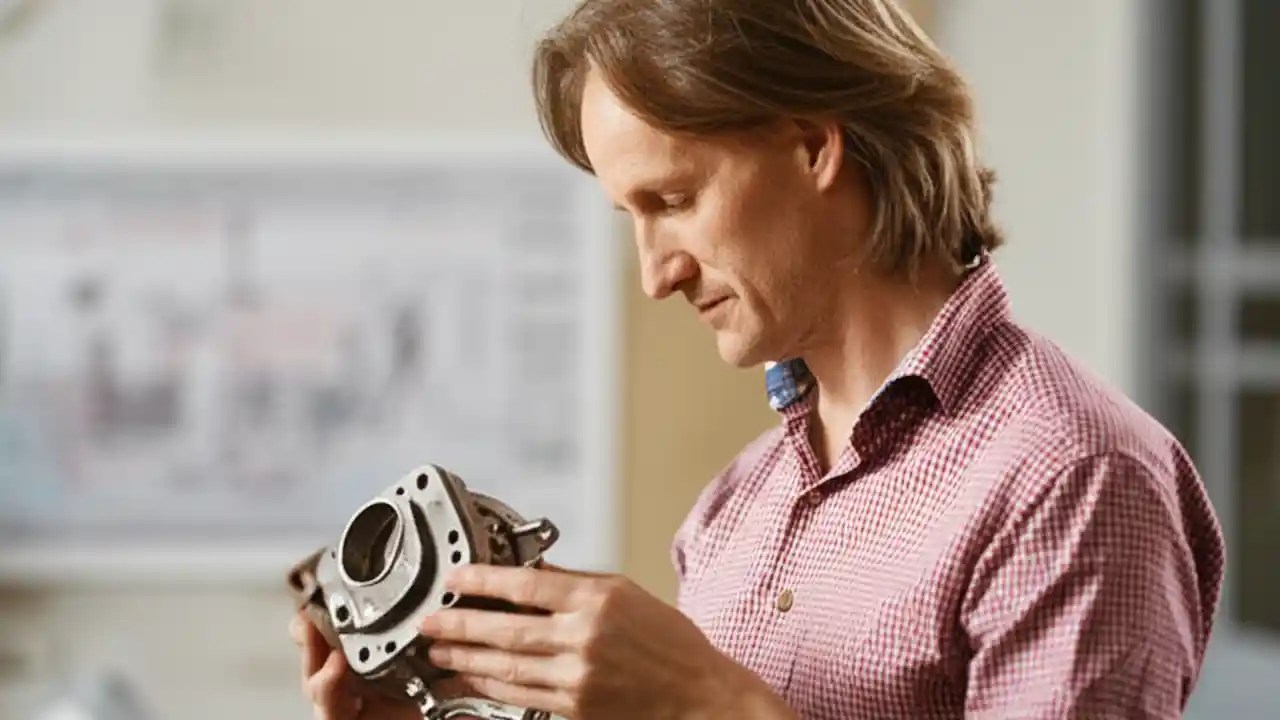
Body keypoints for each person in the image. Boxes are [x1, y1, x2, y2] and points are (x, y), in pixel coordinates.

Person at [291, 0, 1226, 717]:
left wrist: (712, 703)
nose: (655, 276)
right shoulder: (736, 511)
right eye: (631, 220)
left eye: (673, 200)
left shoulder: (1073, 478)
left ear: (815, 144)